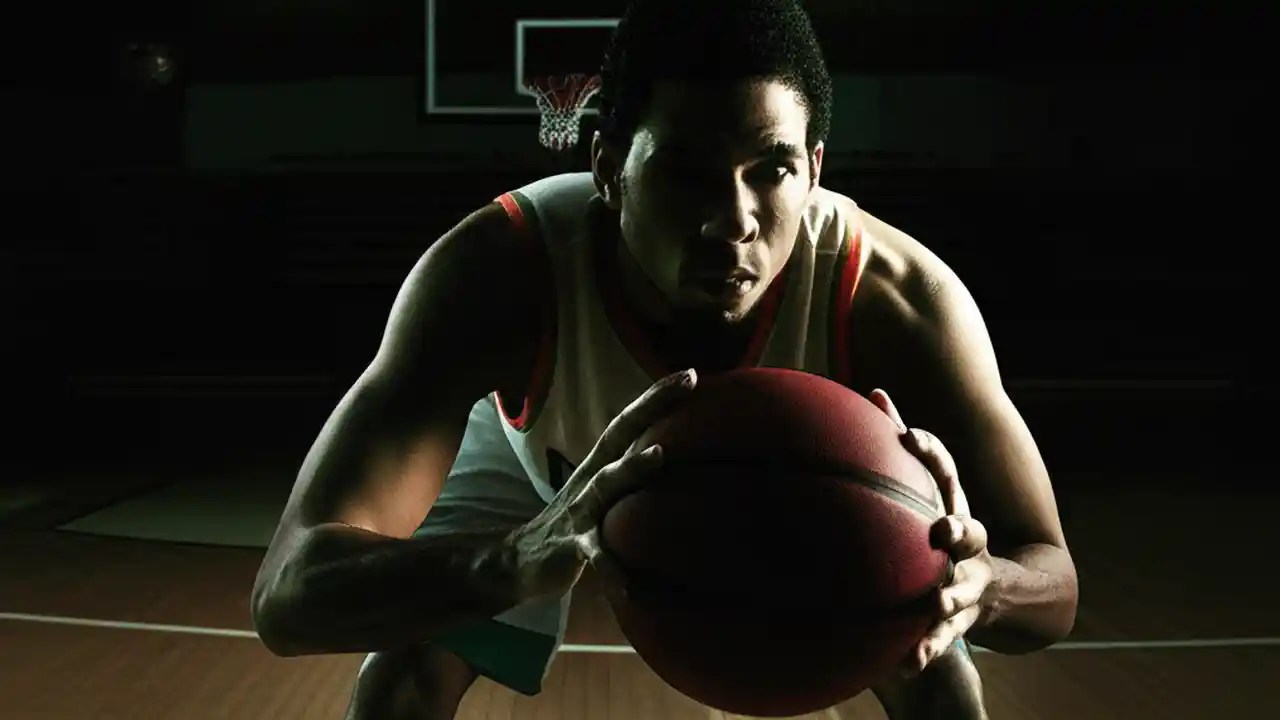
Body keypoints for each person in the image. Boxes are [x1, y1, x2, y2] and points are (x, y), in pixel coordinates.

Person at [250, 1, 1079, 718]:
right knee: (403, 680)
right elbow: (288, 595)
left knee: (940, 677)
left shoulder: (898, 300)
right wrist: (506, 560)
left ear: (816, 169)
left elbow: (1054, 583)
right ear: (609, 167)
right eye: (687, 172)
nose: (734, 220)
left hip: (806, 481)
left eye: (773, 170)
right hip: (535, 466)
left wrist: (982, 585)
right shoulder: (500, 276)